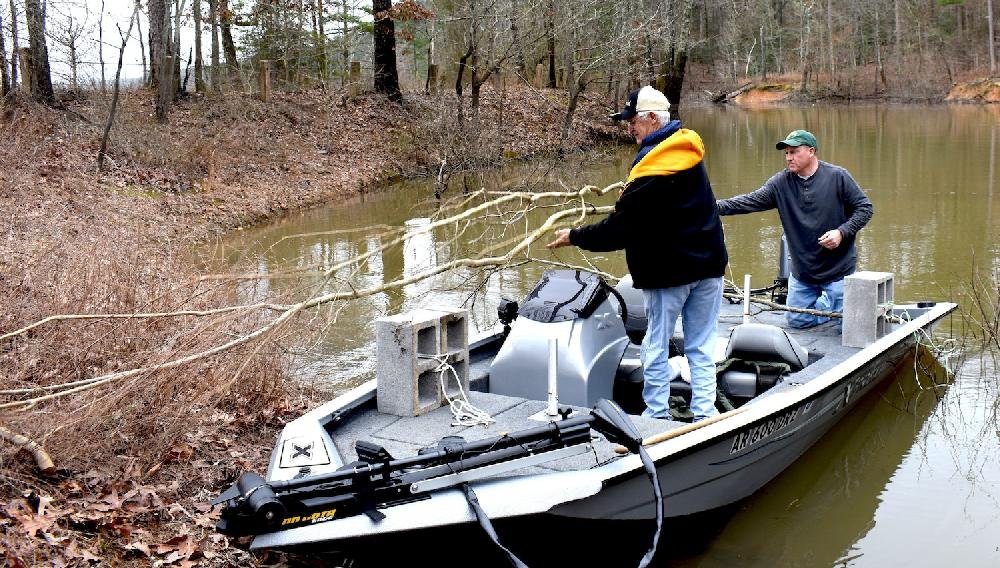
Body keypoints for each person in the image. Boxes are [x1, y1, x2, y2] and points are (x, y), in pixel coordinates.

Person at [546, 86, 728, 422]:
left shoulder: (654, 166)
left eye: (634, 121)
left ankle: (657, 418)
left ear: (655, 119)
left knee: (655, 346)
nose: (629, 127)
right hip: (710, 266)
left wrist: (575, 236)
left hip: (670, 273)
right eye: (628, 121)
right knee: (701, 347)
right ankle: (705, 415)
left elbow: (622, 228)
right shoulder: (686, 149)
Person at [716, 129, 874, 329]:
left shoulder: (838, 177)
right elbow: (745, 202)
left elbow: (865, 208)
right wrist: (708, 206)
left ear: (811, 151)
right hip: (804, 272)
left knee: (848, 327)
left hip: (838, 269)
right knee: (797, 320)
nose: (789, 158)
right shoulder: (779, 184)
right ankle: (828, 310)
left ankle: (834, 310)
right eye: (786, 153)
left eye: (794, 152)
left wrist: (841, 232)